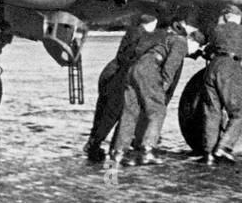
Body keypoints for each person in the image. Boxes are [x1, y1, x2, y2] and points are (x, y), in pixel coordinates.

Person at [111, 11, 200, 166]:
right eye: (196, 47)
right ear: (192, 40)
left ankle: (119, 153)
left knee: (130, 111)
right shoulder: (181, 42)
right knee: (158, 110)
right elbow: (170, 68)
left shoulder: (164, 37)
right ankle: (147, 151)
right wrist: (162, 88)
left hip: (134, 70)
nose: (193, 52)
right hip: (149, 69)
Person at [84, 13, 158, 161]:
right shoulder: (141, 36)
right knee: (114, 113)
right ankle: (110, 150)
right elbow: (130, 56)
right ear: (152, 24)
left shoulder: (132, 32)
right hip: (120, 79)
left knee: (103, 112)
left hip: (112, 75)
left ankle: (94, 144)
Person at [200, 4, 242, 163]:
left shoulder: (216, 29)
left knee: (212, 111)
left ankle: (208, 153)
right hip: (230, 68)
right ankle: (223, 148)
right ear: (238, 17)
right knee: (240, 112)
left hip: (212, 68)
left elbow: (207, 50)